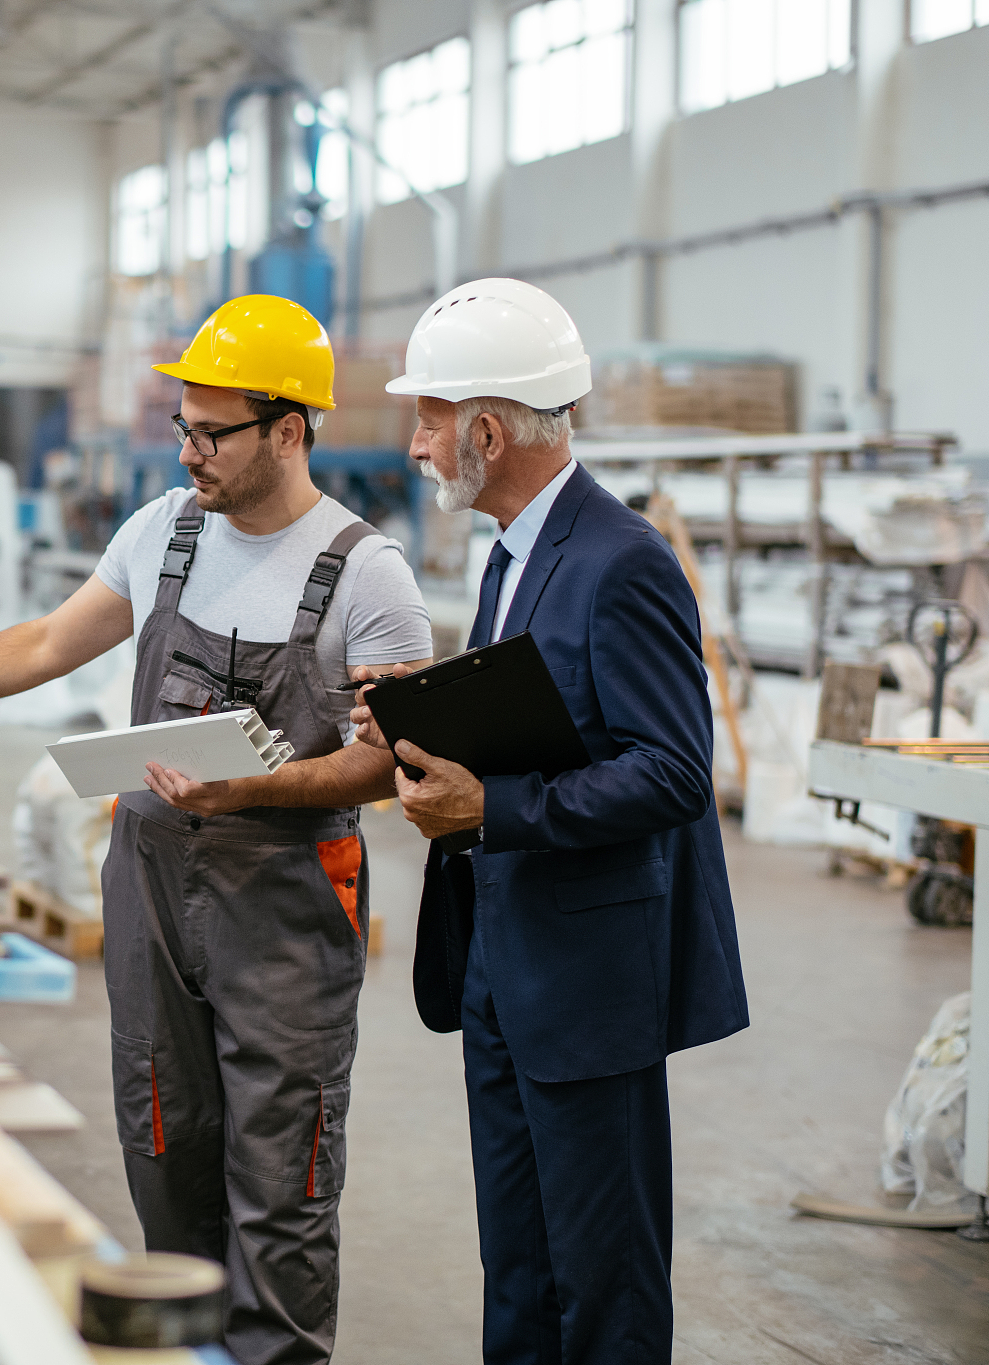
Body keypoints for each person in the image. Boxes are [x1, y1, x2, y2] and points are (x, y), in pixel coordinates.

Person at [0, 295, 433, 1364]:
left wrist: (249, 792)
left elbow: (389, 759)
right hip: (152, 890)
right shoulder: (165, 533)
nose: (188, 451)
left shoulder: (365, 572)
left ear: (288, 430)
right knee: (166, 1150)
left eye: (212, 432)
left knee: (278, 1173)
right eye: (182, 427)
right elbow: (47, 643)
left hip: (286, 907)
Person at [354, 277, 748, 1364]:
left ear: (485, 428)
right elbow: (543, 718)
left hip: (584, 981)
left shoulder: (621, 560)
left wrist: (496, 806)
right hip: (500, 961)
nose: (418, 444)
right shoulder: (514, 552)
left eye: (429, 419)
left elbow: (670, 772)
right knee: (518, 1269)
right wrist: (420, 716)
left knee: (600, 1275)